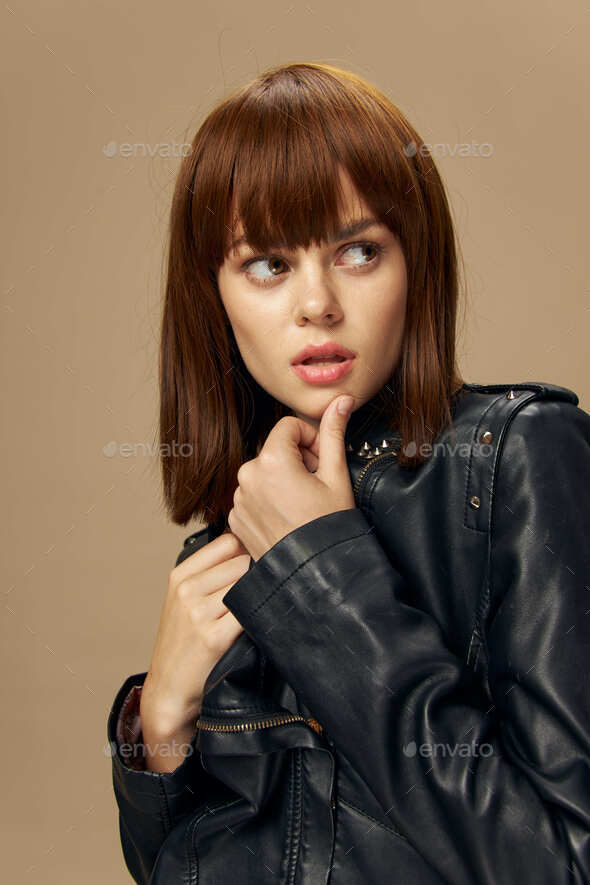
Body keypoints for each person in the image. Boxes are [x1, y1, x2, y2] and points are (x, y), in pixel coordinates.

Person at [107, 62, 590, 884]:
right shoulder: (227, 535)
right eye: (268, 264)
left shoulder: (519, 459)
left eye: (359, 251)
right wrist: (158, 723)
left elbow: (563, 863)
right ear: (212, 294)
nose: (317, 303)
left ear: (416, 263)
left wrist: (321, 570)